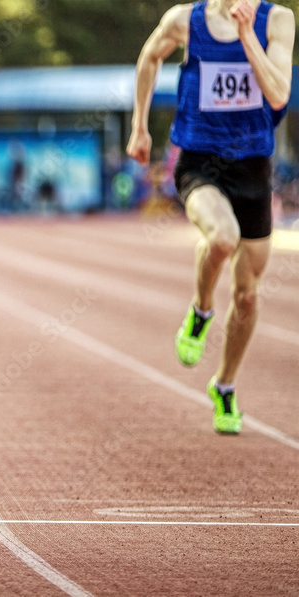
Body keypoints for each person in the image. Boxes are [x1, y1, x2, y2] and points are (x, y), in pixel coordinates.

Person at [128, 0, 294, 434]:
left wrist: (246, 38)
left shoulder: (276, 20)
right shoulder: (186, 20)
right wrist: (139, 125)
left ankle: (224, 384)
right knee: (222, 237)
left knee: (247, 295)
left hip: (253, 166)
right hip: (198, 162)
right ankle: (201, 312)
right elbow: (150, 55)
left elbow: (278, 94)